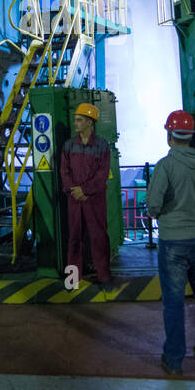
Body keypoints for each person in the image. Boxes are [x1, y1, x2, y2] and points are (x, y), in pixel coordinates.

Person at [147, 110, 195, 376]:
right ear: (190, 136)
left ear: (170, 136)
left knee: (174, 302)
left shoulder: (165, 166)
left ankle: (175, 360)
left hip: (173, 244)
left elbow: (153, 206)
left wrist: (165, 213)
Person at [59, 102, 113, 287]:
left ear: (90, 122)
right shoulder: (68, 146)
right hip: (75, 199)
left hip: (94, 200)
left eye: (79, 120)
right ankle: (72, 279)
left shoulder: (102, 146)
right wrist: (74, 190)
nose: (75, 123)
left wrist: (85, 190)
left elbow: (102, 174)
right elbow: (64, 171)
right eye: (75, 120)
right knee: (74, 238)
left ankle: (104, 276)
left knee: (99, 238)